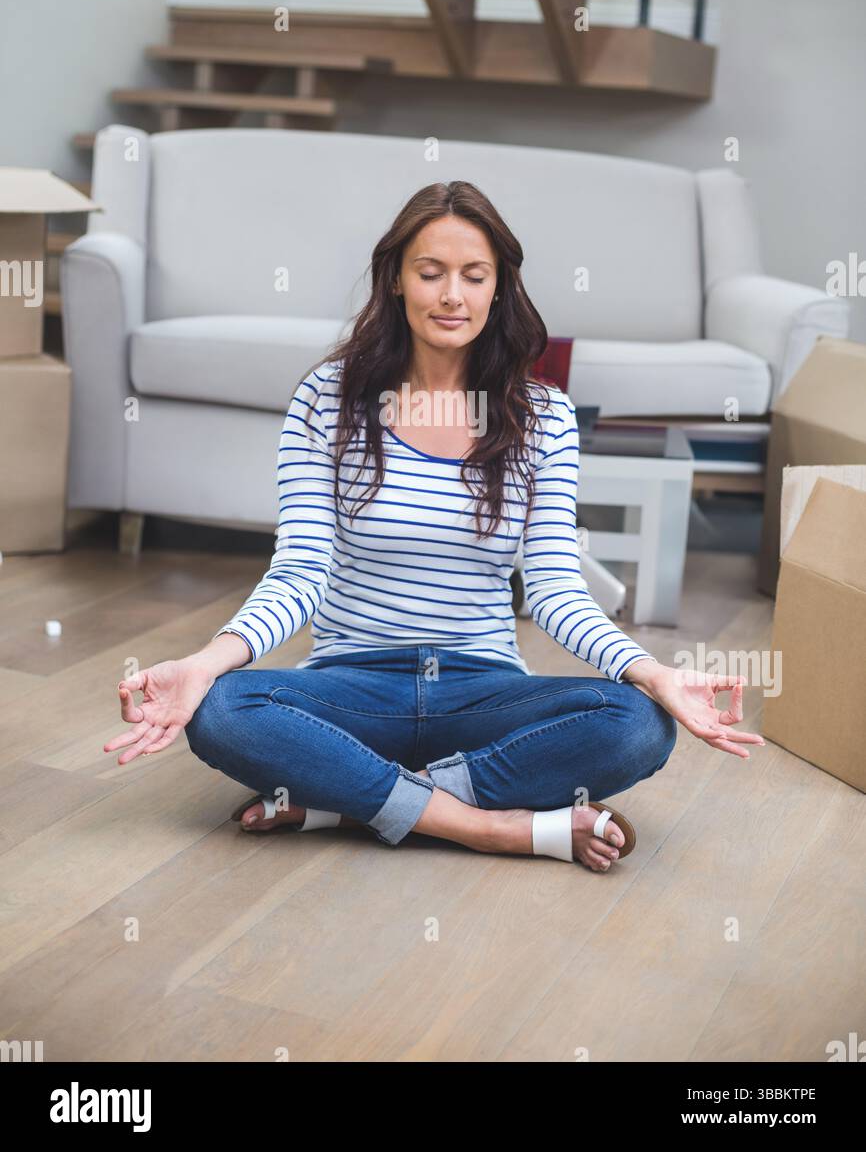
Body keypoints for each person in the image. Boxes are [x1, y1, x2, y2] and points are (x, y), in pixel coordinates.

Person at [103, 181, 764, 872]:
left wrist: (654, 674)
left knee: (638, 726)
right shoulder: (326, 400)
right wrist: (205, 664)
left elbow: (553, 589)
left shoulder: (543, 418)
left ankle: (346, 801)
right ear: (394, 279)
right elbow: (300, 573)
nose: (453, 295)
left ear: (499, 288)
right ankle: (491, 828)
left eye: (474, 276)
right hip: (353, 685)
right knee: (224, 711)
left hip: (482, 688)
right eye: (431, 273)